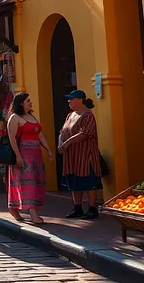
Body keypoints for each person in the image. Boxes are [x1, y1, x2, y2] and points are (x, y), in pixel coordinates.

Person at [6, 93, 53, 224]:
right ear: (21, 103)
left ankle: (13, 208)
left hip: (36, 155)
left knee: (35, 182)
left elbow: (40, 135)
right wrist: (18, 156)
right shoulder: (14, 118)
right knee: (28, 183)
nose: (31, 102)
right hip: (23, 154)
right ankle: (33, 214)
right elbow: (12, 138)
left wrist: (48, 149)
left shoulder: (31, 116)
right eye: (28, 101)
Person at [57, 90, 102, 220]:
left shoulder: (88, 115)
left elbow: (84, 134)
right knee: (74, 181)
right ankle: (77, 207)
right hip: (71, 156)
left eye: (71, 99)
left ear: (80, 100)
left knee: (89, 181)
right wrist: (61, 143)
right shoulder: (70, 115)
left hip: (85, 154)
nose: (69, 101)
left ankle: (92, 208)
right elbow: (62, 131)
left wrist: (67, 143)